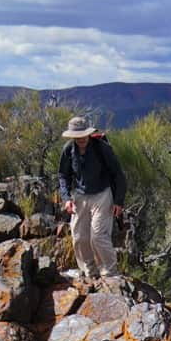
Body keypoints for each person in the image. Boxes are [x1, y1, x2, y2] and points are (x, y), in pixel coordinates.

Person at [58, 116, 127, 282]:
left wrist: (118, 201)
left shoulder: (101, 148)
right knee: (79, 236)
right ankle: (90, 272)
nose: (81, 138)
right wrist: (66, 198)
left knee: (98, 236)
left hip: (102, 194)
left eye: (83, 134)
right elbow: (63, 175)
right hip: (80, 196)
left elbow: (118, 174)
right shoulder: (69, 150)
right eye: (77, 136)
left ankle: (110, 273)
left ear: (88, 134)